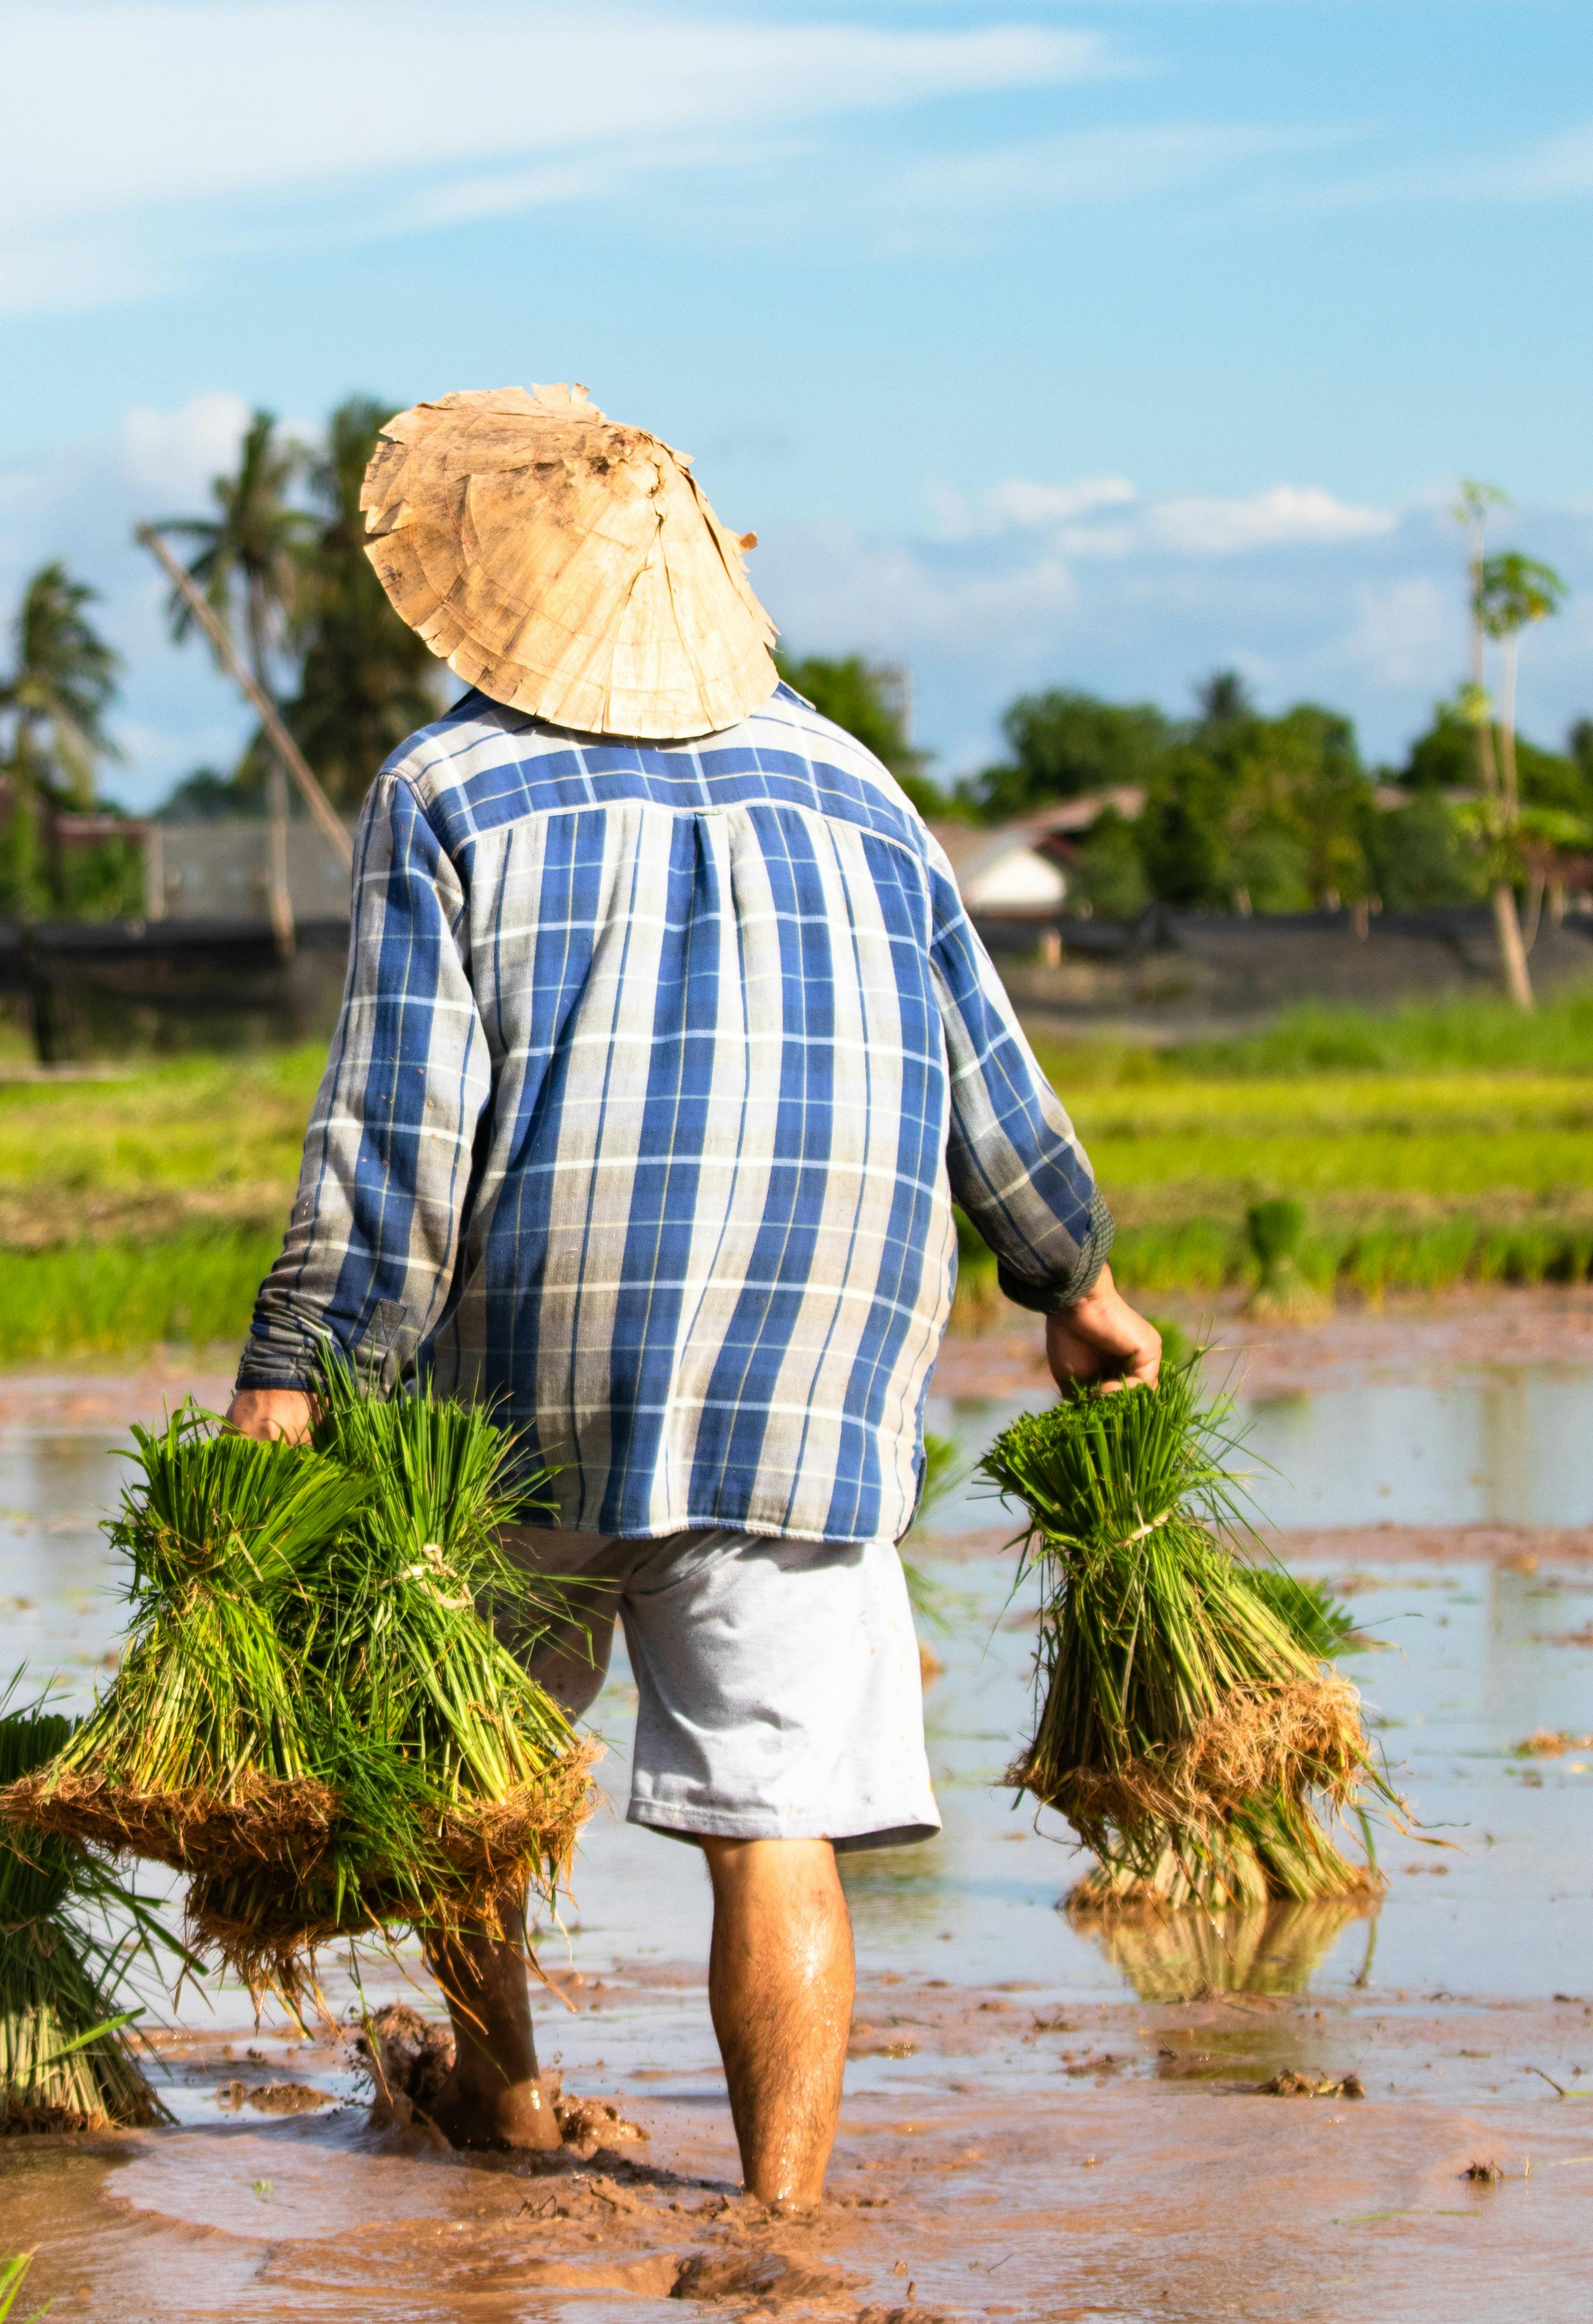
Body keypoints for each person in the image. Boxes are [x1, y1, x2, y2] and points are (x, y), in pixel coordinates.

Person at [222, 387, 1159, 2210]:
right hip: (809, 1381)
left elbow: (397, 1131)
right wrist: (1077, 1285)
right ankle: (787, 2224)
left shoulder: (445, 789)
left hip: (526, 1380)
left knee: (466, 1767)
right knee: (775, 1830)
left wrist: (300, 1367)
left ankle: (500, 2099)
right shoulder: (866, 792)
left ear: (493, 595)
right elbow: (996, 1082)